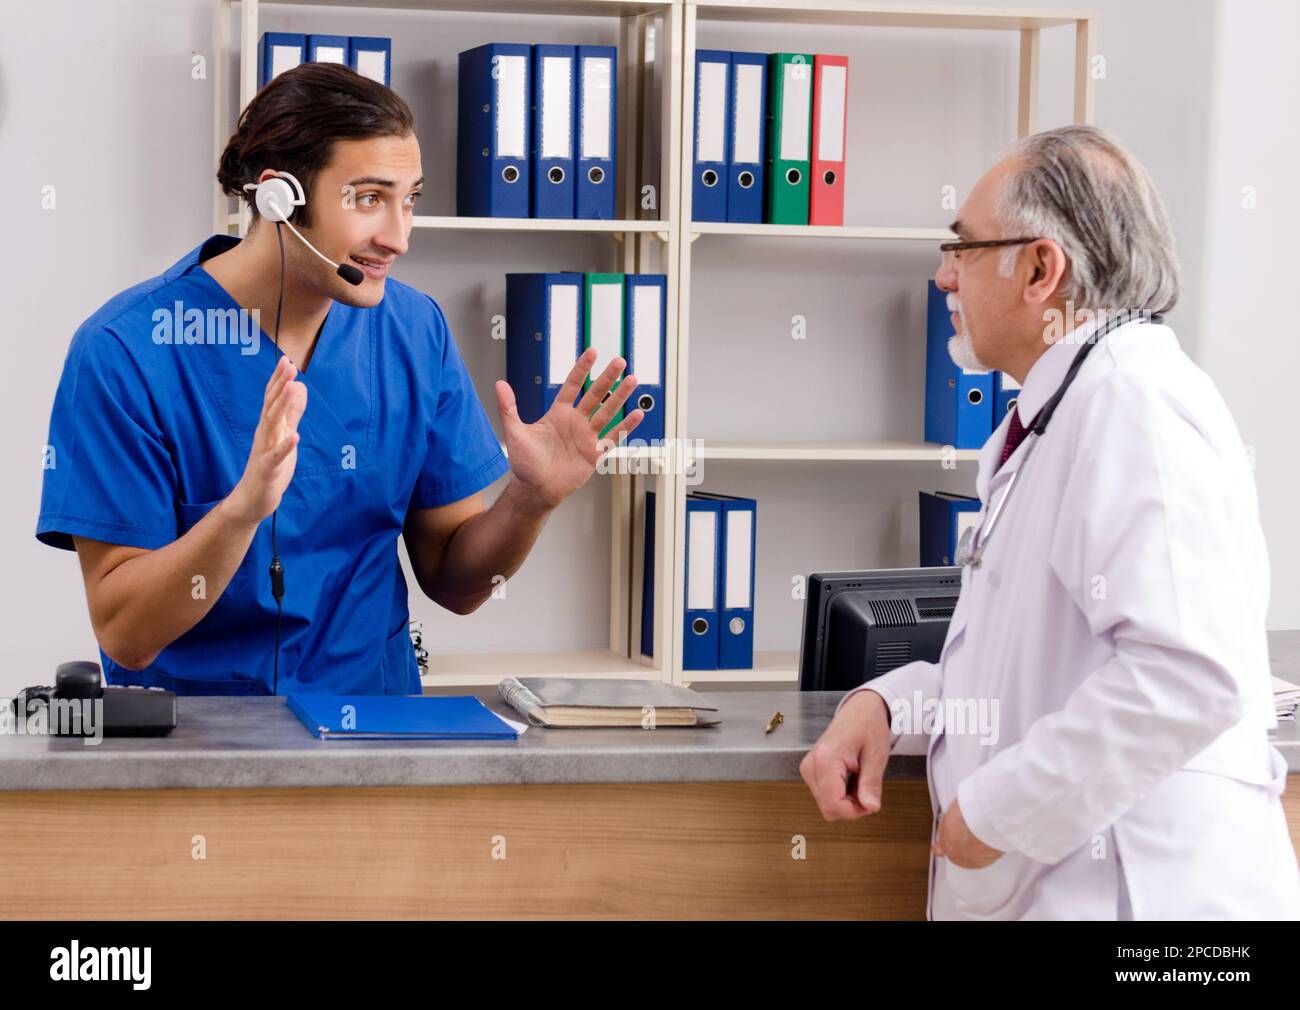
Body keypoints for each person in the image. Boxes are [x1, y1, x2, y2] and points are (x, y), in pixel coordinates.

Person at [800, 124, 1300, 920]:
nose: (942, 278)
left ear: (1040, 269)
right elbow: (1020, 680)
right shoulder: (1059, 414)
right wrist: (889, 704)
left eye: (960, 249)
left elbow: (1187, 676)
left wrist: (996, 813)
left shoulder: (1136, 403)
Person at [35, 63, 642, 695]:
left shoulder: (413, 330)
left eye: (410, 200)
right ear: (278, 197)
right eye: (369, 199)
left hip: (376, 741)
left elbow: (457, 586)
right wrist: (242, 512)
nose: (398, 237)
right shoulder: (125, 351)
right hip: (198, 750)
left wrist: (530, 498)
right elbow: (126, 635)